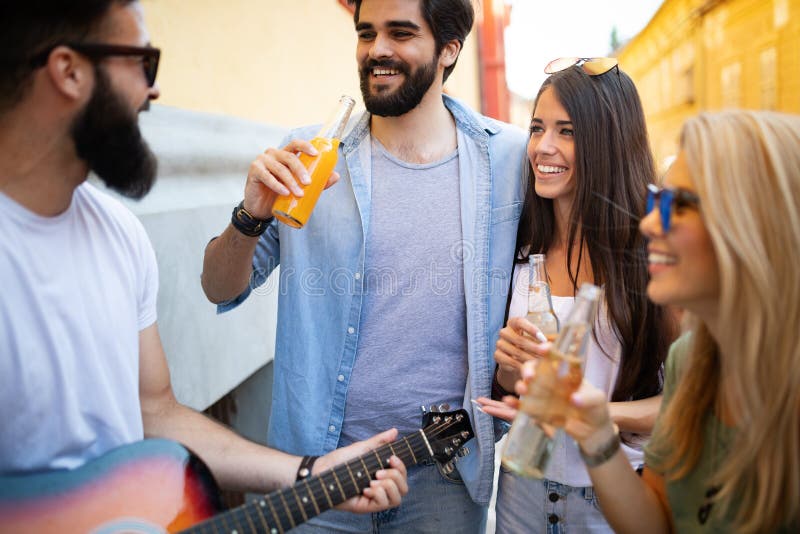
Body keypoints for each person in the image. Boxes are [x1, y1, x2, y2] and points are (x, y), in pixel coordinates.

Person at [0, 0, 408, 517]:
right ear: (68, 71)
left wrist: (311, 475)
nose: (155, 90)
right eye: (143, 64)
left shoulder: (118, 233)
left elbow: (155, 412)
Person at [201, 0, 528, 530]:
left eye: (400, 33)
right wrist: (250, 214)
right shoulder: (307, 158)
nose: (377, 50)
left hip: (443, 473)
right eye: (366, 33)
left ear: (449, 50)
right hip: (321, 470)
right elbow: (218, 288)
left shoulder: (507, 160)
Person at [500, 110, 800, 532]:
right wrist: (597, 433)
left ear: (758, 221)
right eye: (659, 200)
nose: (649, 223)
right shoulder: (691, 361)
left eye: (681, 206)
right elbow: (656, 522)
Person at [475, 58, 675, 532]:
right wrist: (508, 364)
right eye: (538, 127)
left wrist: (591, 414)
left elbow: (689, 400)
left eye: (567, 132)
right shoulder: (519, 245)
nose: (543, 147)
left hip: (615, 497)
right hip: (521, 491)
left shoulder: (651, 252)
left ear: (608, 141)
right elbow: (512, 384)